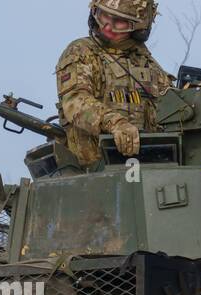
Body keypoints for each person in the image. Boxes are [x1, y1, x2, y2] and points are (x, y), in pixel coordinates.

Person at [55, 0, 173, 169]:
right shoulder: (82, 52)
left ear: (138, 27)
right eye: (103, 16)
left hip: (145, 173)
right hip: (91, 172)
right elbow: (75, 102)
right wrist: (114, 123)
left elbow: (172, 113)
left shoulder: (148, 65)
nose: (108, 27)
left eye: (120, 22)